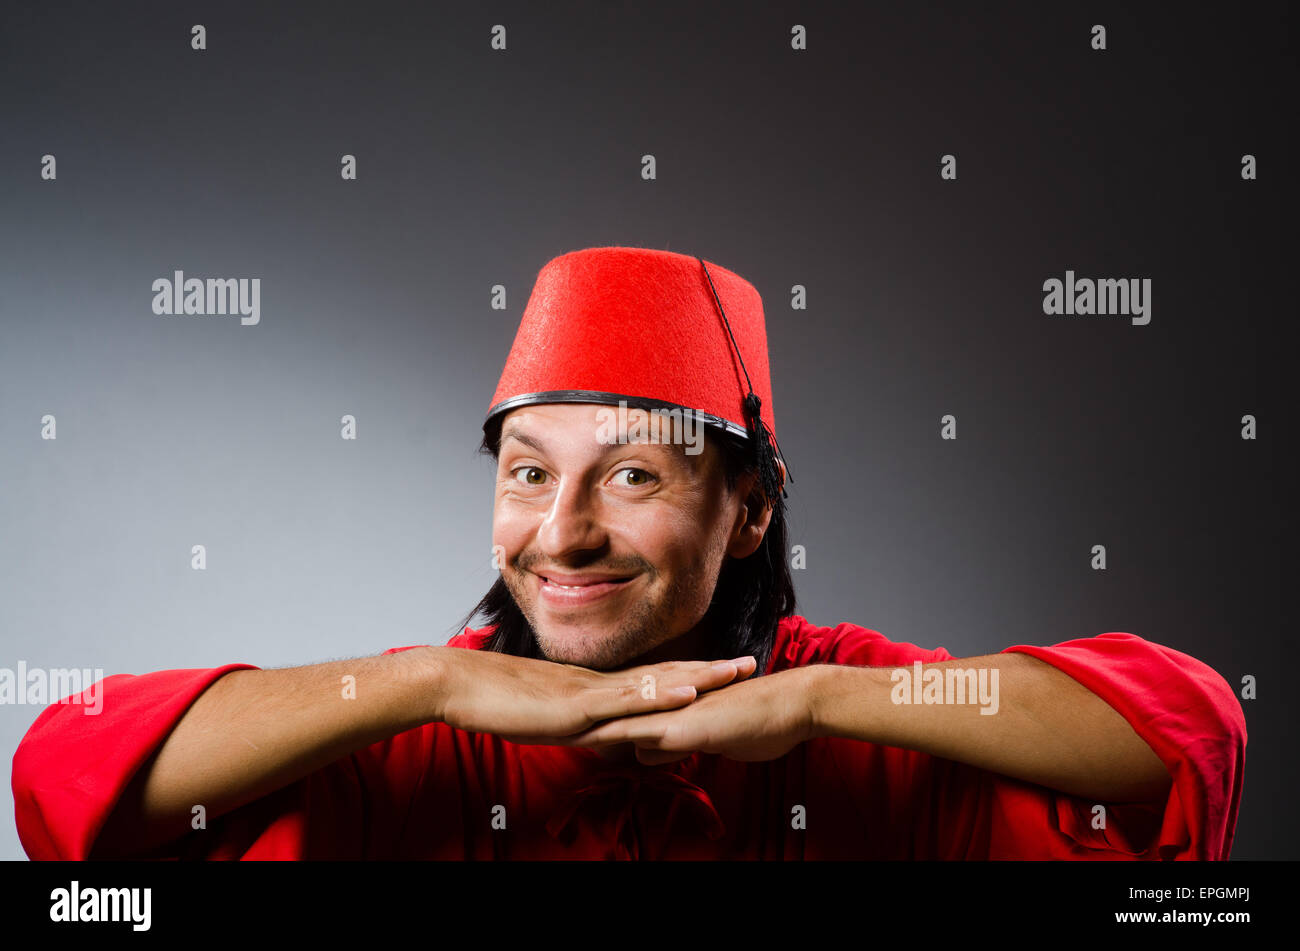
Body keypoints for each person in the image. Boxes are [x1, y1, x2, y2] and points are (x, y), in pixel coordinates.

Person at [12, 246, 1245, 860]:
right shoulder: (418, 727)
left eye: (635, 475)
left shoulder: (853, 710)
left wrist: (811, 702)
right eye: (530, 474)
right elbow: (70, 778)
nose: (564, 534)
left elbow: (1183, 730)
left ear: (750, 511)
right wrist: (431, 681)